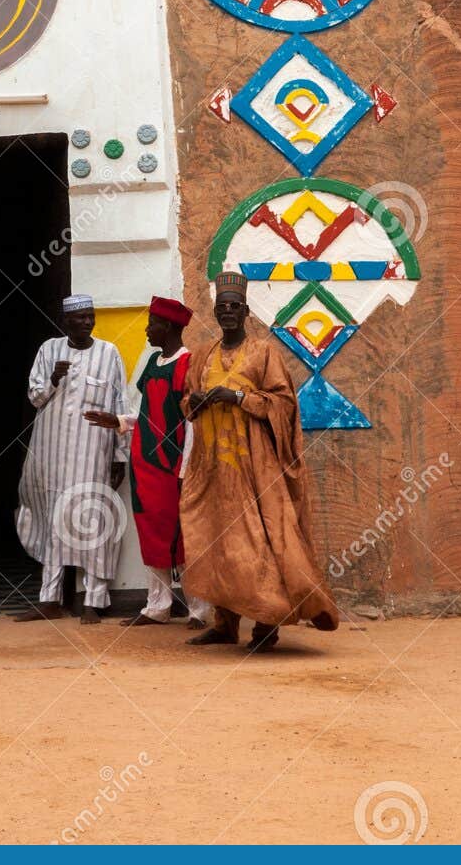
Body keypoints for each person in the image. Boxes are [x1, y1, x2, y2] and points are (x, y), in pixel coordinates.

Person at [180, 270, 340, 653]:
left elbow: (284, 403)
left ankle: (266, 626)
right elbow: (186, 401)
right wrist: (196, 403)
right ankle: (224, 623)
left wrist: (237, 399)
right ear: (216, 312)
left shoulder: (263, 352)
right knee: (217, 541)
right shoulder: (202, 354)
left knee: (262, 542)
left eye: (235, 307)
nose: (228, 312)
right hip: (212, 467)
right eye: (222, 307)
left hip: (255, 467)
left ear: (247, 311)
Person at [85, 295, 211, 628]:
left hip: (174, 466)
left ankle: (199, 609)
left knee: (183, 535)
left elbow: (193, 423)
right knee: (152, 534)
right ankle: (158, 606)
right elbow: (146, 414)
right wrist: (118, 421)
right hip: (145, 466)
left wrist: (186, 469)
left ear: (168, 326)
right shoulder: (153, 362)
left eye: (152, 324)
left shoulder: (189, 364)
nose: (146, 330)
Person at [14, 294, 133, 625]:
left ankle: (94, 601)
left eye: (90, 316)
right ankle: (49, 599)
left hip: (93, 455)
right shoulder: (48, 350)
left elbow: (120, 404)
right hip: (51, 457)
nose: (86, 322)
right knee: (53, 520)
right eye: (79, 317)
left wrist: (119, 456)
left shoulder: (109, 353)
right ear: (65, 321)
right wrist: (53, 379)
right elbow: (34, 397)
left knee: (93, 520)